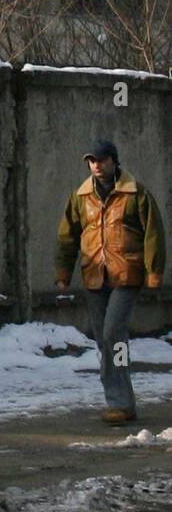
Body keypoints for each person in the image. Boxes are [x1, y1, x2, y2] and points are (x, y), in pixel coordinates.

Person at [55, 139, 165, 424]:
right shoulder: (81, 197)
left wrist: (154, 272)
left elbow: (153, 233)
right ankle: (122, 403)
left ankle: (120, 402)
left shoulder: (135, 193)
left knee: (113, 331)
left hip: (126, 273)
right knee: (104, 339)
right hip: (93, 274)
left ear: (114, 161)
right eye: (92, 161)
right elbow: (67, 236)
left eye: (102, 160)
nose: (97, 166)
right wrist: (63, 272)